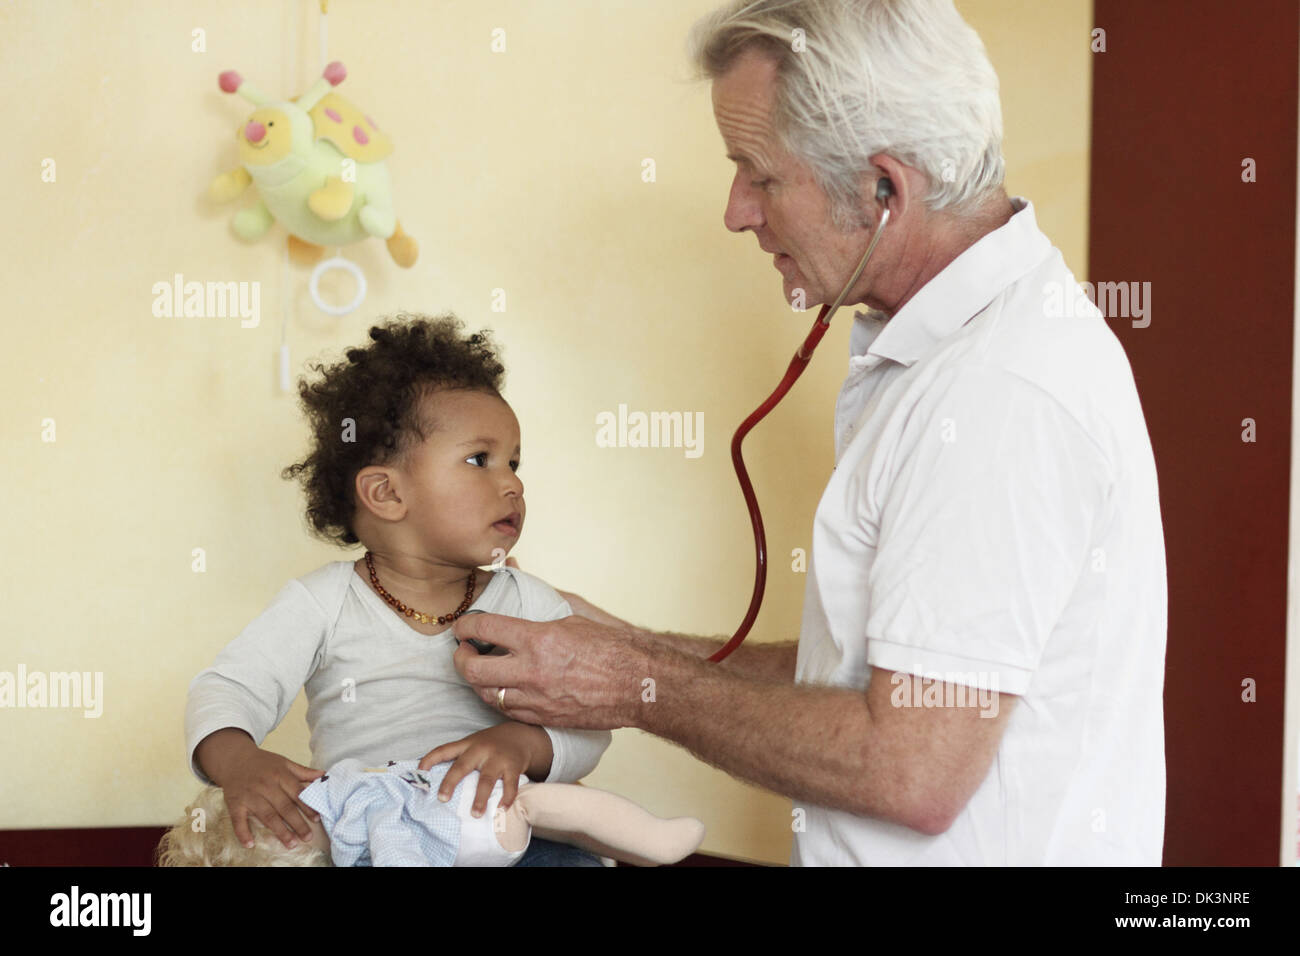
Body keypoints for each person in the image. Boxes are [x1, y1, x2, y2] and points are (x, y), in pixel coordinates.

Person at [451, 0, 1167, 865]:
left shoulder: (998, 396)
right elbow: (882, 686)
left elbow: (910, 768)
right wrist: (623, 647)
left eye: (759, 173)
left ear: (884, 190)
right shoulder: (955, 354)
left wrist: (630, 687)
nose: (736, 212)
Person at [184, 315, 611, 867]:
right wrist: (238, 761)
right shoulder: (322, 603)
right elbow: (225, 688)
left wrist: (521, 746)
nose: (513, 483)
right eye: (480, 460)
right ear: (386, 492)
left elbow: (589, 725)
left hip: (508, 832)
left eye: (514, 462)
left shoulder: (529, 602)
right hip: (371, 834)